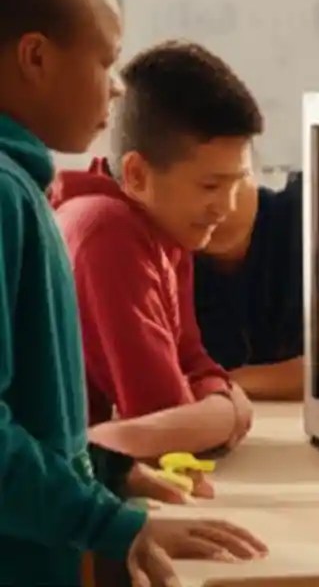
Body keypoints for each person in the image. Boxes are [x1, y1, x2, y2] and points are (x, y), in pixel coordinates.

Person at [0, 0, 265, 586]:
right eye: (106, 62)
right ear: (36, 56)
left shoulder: (22, 188)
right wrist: (106, 521)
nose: (116, 91)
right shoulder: (5, 195)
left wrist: (107, 470)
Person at [50, 40, 260, 459]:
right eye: (210, 186)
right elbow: (166, 417)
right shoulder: (105, 231)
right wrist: (229, 410)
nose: (227, 206)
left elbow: (194, 362)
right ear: (137, 175)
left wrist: (216, 404)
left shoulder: (165, 227)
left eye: (236, 183)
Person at [195, 170, 304, 400]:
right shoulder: (156, 251)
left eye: (232, 182)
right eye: (206, 187)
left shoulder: (309, 219)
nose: (221, 207)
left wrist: (220, 381)